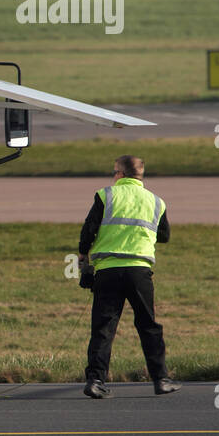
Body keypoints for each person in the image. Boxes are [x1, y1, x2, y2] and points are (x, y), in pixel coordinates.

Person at [78, 154, 180, 398]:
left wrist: (83, 258)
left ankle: (95, 381)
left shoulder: (106, 195)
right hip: (139, 271)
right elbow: (164, 236)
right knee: (148, 326)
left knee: (103, 328)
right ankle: (161, 379)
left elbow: (88, 230)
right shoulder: (156, 201)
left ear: (120, 174)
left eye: (114, 172)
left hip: (108, 270)